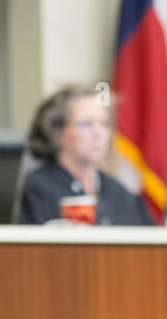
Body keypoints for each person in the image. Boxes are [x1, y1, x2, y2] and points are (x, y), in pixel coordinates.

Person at [18, 85, 155, 226]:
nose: (98, 133)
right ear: (56, 132)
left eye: (105, 124)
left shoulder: (120, 193)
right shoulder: (35, 189)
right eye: (86, 124)